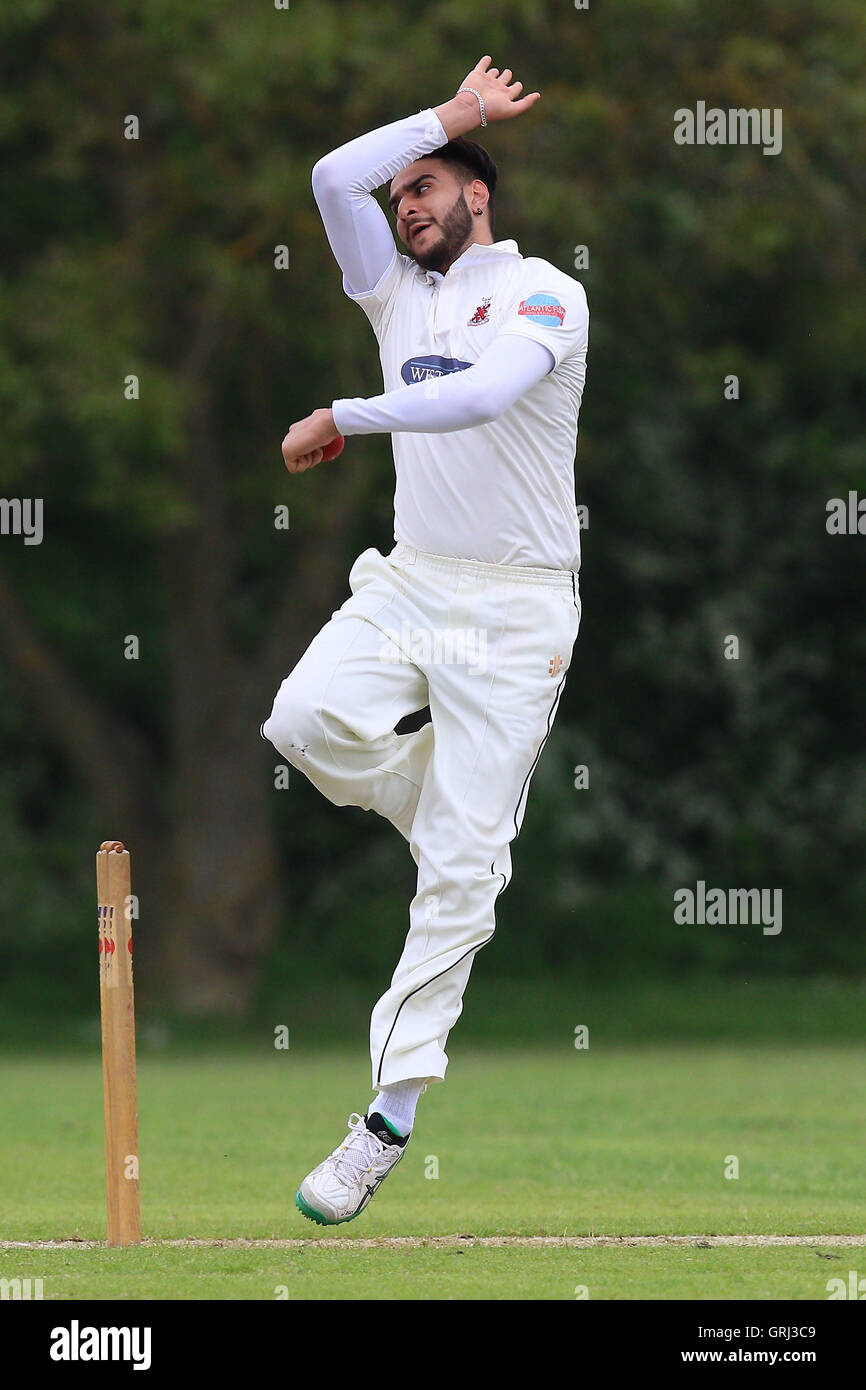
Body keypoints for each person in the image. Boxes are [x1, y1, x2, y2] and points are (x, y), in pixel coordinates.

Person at [262, 56, 589, 1226]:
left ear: (477, 198)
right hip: (412, 583)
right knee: (299, 721)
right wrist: (448, 115)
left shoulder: (547, 293)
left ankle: (384, 1119)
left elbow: (481, 398)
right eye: (400, 193)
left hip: (516, 611)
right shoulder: (392, 294)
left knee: (458, 876)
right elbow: (328, 174)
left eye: (431, 184)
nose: (405, 201)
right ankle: (431, 802)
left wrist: (350, 413)